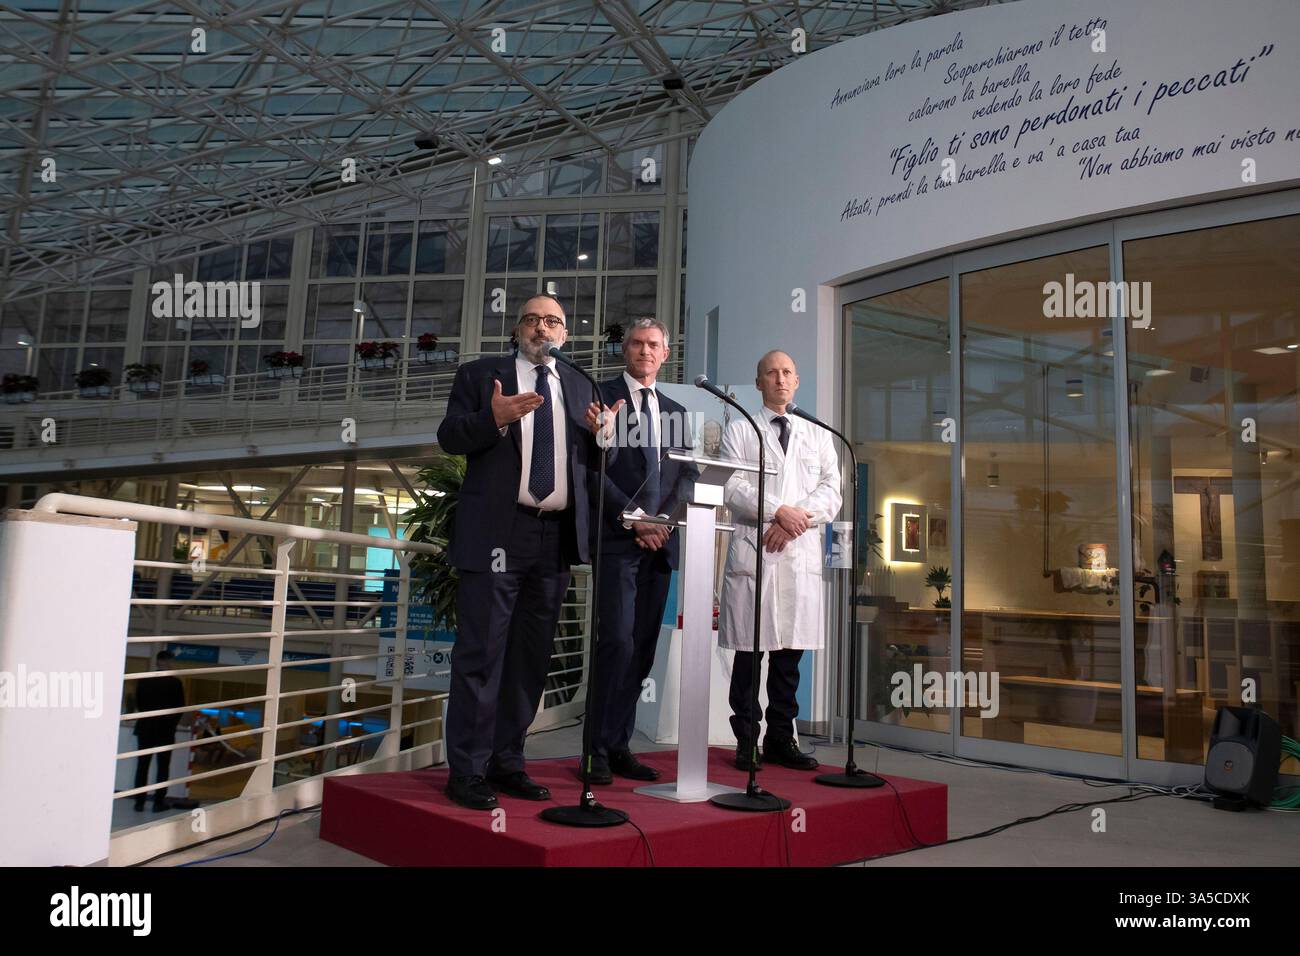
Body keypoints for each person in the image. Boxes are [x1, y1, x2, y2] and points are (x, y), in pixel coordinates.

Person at [436, 293, 616, 811]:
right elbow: (449, 436)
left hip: (553, 537)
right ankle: (466, 771)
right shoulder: (481, 374)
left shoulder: (580, 383)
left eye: (554, 320)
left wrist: (604, 439)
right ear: (517, 329)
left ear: (566, 333)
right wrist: (492, 420)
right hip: (498, 530)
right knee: (481, 654)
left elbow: (587, 465)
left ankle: (507, 762)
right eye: (534, 319)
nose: (543, 328)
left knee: (530, 657)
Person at [717, 350, 842, 771]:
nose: (780, 379)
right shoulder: (740, 427)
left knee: (789, 658)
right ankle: (746, 741)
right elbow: (731, 485)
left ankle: (781, 738)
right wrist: (777, 511)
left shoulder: (819, 433)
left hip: (796, 551)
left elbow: (832, 492)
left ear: (797, 380)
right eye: (771, 373)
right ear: (758, 383)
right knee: (750, 657)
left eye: (787, 372)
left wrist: (792, 521)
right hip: (757, 552)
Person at [585, 317, 695, 784]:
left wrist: (663, 522)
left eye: (653, 344)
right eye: (636, 343)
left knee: (642, 650)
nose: (644, 350)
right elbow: (591, 469)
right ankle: (593, 753)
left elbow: (686, 475)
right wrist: (635, 519)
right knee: (615, 643)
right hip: (617, 541)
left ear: (665, 354)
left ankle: (619, 745)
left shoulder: (677, 411)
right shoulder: (600, 398)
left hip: (660, 547)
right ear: (624, 349)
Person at [132, 649, 187, 812]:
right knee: (163, 767)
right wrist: (171, 724)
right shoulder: (175, 683)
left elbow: (139, 704)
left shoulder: (144, 681)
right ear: (169, 662)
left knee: (142, 766)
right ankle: (158, 803)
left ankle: (139, 802)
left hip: (145, 729)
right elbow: (179, 708)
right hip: (165, 730)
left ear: (157, 662)